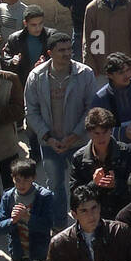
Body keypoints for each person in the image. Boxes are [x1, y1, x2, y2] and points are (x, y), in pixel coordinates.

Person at [24, 32, 97, 224]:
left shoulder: (85, 73)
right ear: (50, 52)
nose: (67, 54)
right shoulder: (36, 77)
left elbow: (91, 109)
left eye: (69, 49)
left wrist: (73, 136)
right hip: (50, 144)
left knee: (82, 185)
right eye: (61, 50)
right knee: (55, 186)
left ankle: (85, 223)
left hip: (78, 142)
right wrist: (47, 137)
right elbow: (30, 111)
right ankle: (59, 225)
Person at [0, 157, 58, 261]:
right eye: (18, 180)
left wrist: (28, 217)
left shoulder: (44, 196)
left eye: (26, 180)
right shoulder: (8, 197)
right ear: (12, 178)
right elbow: (0, 226)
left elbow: (48, 224)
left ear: (34, 177)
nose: (21, 184)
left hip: (39, 253)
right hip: (18, 254)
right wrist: (12, 221)